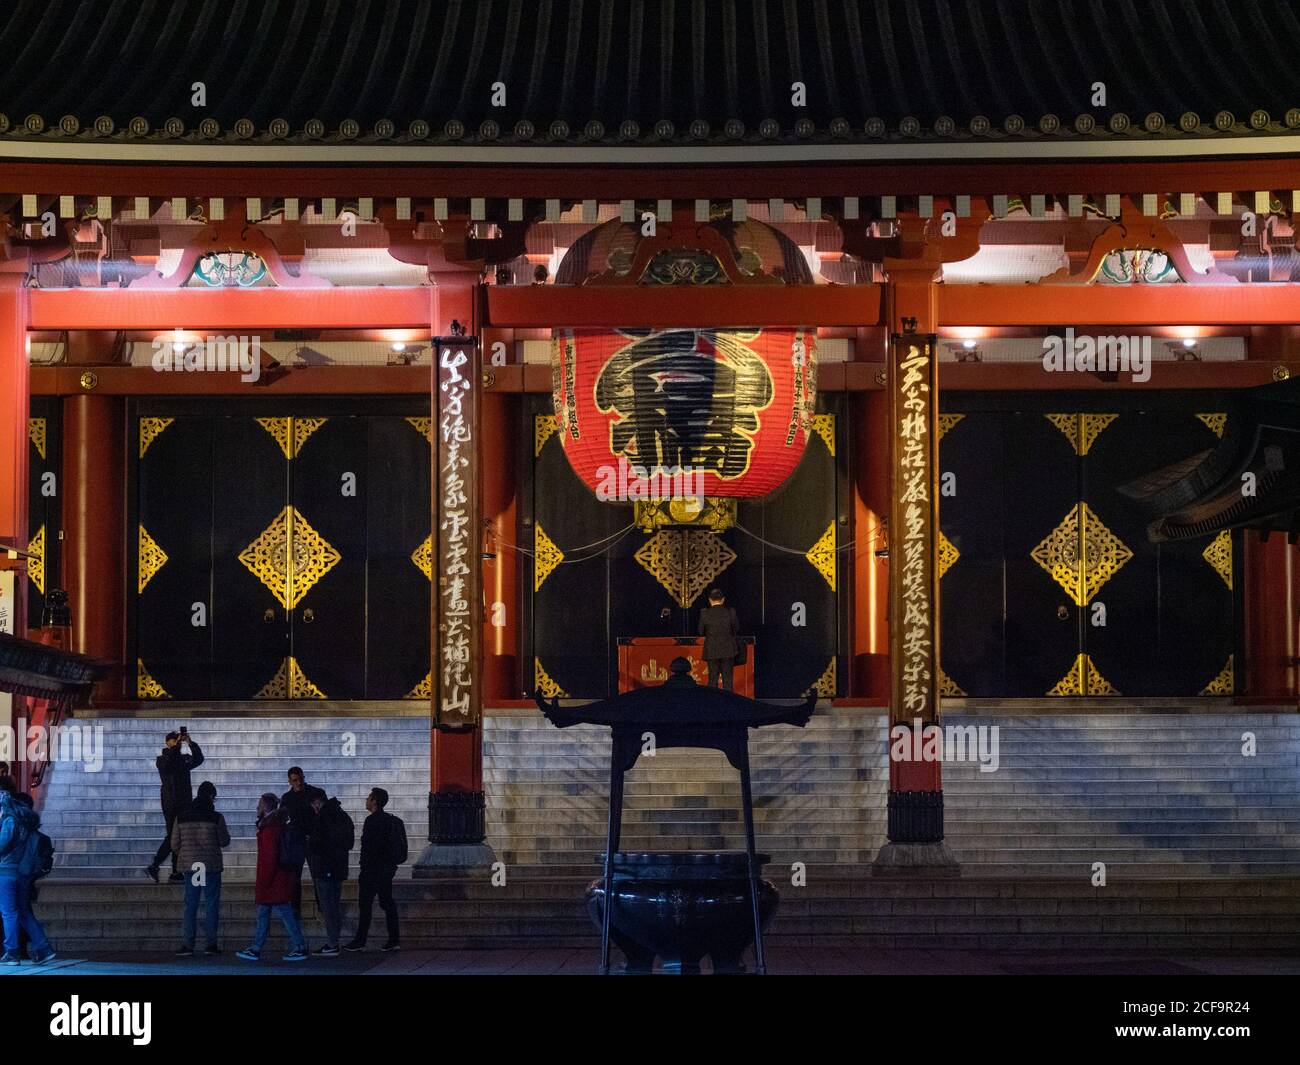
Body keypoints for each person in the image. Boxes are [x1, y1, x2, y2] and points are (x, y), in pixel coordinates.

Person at [236, 794, 308, 962]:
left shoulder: (269, 829)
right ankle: (256, 948)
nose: (257, 807)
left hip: (272, 879)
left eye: (259, 804)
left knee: (283, 911)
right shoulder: (277, 825)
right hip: (279, 876)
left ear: (266, 807)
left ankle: (299, 946)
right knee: (267, 912)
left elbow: (269, 857)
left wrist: (264, 881)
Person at [171, 780, 230, 957]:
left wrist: (186, 853)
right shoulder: (216, 817)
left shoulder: (182, 816)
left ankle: (188, 944)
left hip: (192, 866)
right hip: (210, 865)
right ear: (211, 797)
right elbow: (224, 841)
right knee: (211, 904)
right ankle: (210, 944)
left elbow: (174, 843)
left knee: (191, 905)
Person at [345, 788, 406, 952]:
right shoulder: (390, 820)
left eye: (368, 798)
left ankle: (360, 940)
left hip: (372, 870)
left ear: (374, 802)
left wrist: (364, 868)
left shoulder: (372, 821)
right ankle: (394, 939)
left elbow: (369, 848)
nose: (366, 800)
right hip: (386, 869)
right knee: (387, 902)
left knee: (365, 905)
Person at [0, 783, 54, 965]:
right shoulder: (22, 820)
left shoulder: (9, 819)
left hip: (7, 871)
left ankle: (12, 952)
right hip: (21, 872)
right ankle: (43, 948)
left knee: (9, 912)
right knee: (22, 911)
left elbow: (3, 844)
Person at [147, 728, 204, 884]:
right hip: (170, 803)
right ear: (168, 743)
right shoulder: (162, 759)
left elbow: (199, 759)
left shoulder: (184, 759)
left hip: (185, 803)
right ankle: (158, 865)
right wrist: (176, 747)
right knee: (173, 836)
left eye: (177, 740)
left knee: (179, 837)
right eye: (174, 741)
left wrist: (190, 743)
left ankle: (174, 871)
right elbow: (169, 762)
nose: (177, 743)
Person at [306, 792, 354, 957]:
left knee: (329, 907)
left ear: (318, 802)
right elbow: (349, 842)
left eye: (313, 806)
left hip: (325, 866)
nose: (313, 809)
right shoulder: (342, 815)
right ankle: (333, 941)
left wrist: (310, 842)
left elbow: (317, 844)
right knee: (333, 905)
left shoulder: (324, 818)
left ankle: (332, 943)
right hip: (339, 867)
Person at [281, 767, 326, 918]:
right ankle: (296, 910)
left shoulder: (315, 793)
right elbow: (283, 819)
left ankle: (322, 908)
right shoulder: (287, 798)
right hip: (296, 842)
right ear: (290, 781)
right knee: (294, 879)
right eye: (295, 780)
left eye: (300, 779)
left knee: (317, 876)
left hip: (313, 841)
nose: (299, 783)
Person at [698, 588, 741, 691]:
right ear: (723, 599)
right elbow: (736, 628)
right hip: (728, 650)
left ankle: (713, 704)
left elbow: (700, 631)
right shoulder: (731, 612)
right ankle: (729, 704)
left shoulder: (704, 613)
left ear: (710, 600)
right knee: (728, 681)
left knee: (712, 680)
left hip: (712, 650)